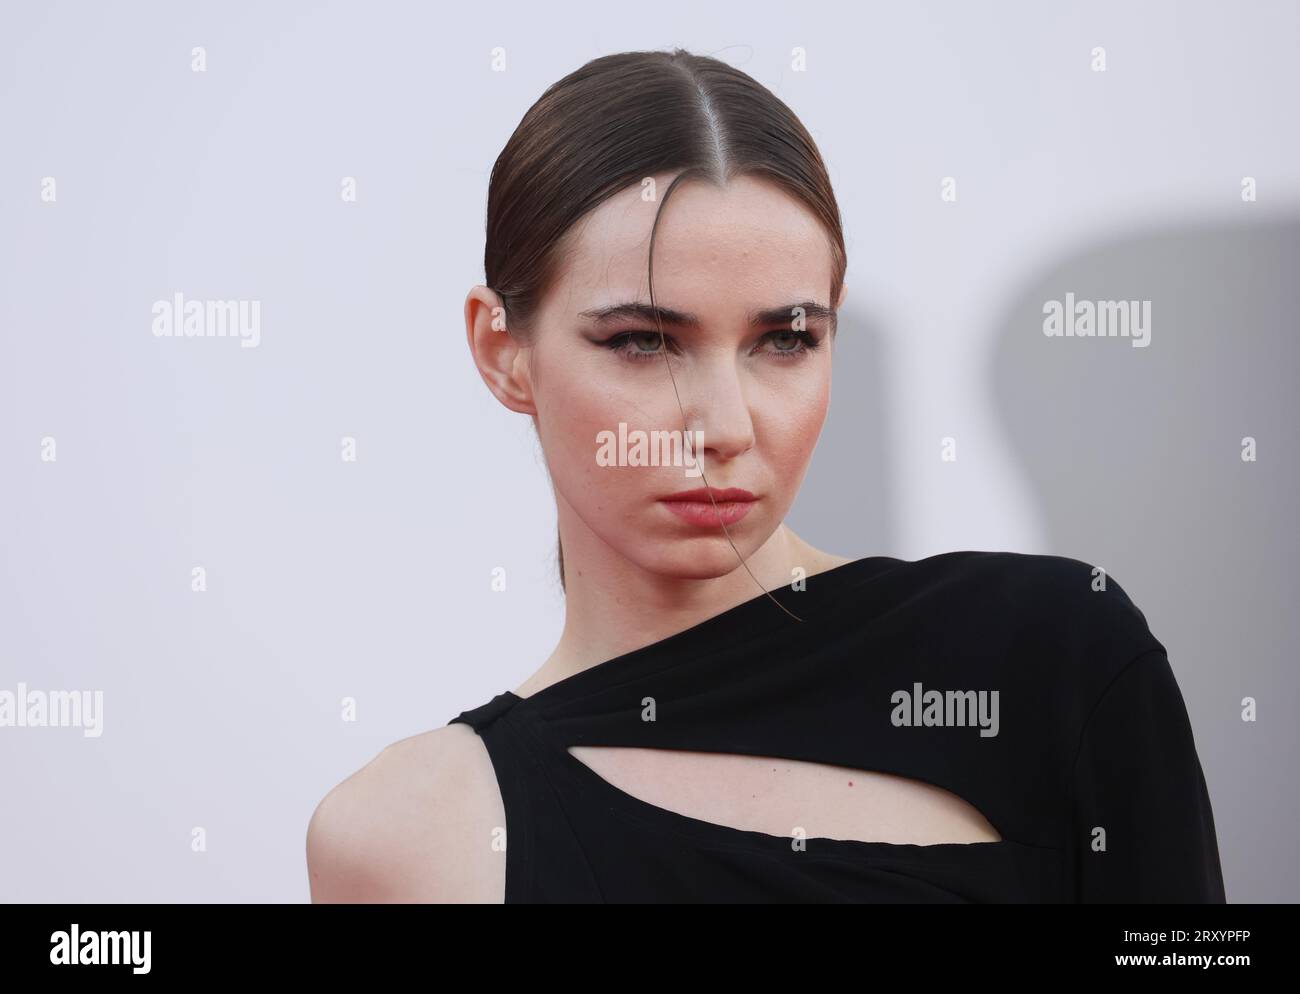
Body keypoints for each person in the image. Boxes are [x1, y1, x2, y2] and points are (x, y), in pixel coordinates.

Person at [305, 48, 1226, 903]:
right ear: (502, 350)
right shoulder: (412, 833)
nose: (726, 426)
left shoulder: (1054, 651)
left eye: (784, 340)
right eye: (642, 341)